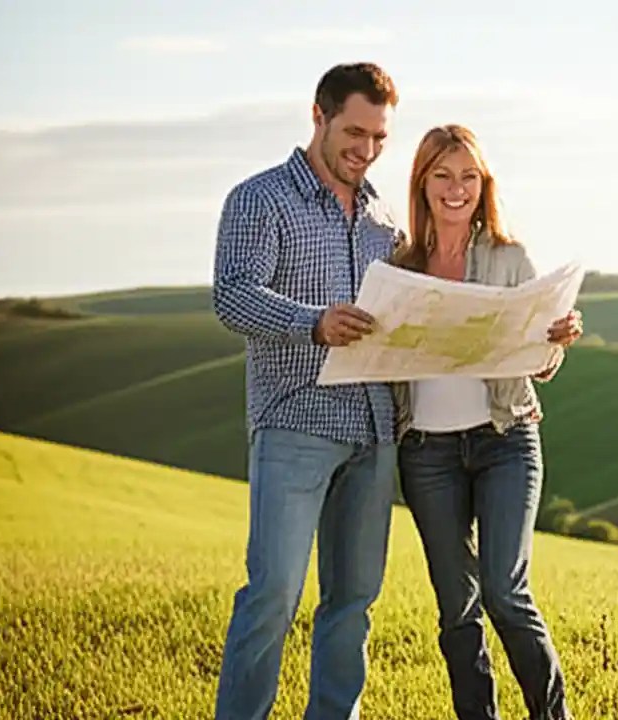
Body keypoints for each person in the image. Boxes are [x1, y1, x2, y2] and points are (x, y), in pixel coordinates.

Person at [210, 62, 403, 720]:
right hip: (294, 423)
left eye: (379, 137)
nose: (367, 149)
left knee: (352, 603)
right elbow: (232, 297)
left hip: (375, 432)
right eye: (355, 131)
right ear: (318, 116)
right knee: (274, 594)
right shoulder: (259, 198)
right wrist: (312, 323)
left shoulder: (385, 219)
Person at [391, 124, 582, 720]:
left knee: (504, 590)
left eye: (468, 176)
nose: (457, 189)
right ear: (422, 184)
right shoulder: (399, 264)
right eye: (443, 176)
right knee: (456, 607)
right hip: (427, 451)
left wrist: (559, 339)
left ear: (483, 184)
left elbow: (541, 361)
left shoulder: (509, 256)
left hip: (505, 440)